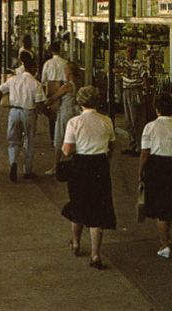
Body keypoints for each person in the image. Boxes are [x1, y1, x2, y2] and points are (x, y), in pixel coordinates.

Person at [61, 86, 116, 269]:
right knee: (98, 210)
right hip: (100, 165)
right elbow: (111, 145)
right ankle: (95, 254)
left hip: (80, 166)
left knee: (78, 203)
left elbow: (67, 150)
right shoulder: (106, 121)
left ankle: (76, 242)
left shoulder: (74, 122)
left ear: (79, 102)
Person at [139, 93, 172, 259]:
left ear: (156, 109)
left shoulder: (149, 127)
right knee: (169, 207)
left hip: (156, 167)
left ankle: (164, 244)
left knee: (161, 209)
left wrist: (140, 172)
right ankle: (166, 239)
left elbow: (145, 153)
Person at [0, 54, 46, 182]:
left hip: (13, 111)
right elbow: (40, 105)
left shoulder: (13, 79)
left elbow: (0, 90)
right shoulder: (36, 84)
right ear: (33, 68)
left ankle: (13, 162)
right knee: (29, 141)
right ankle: (27, 171)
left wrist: (4, 101)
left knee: (13, 140)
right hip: (28, 112)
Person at [45, 62, 79, 176]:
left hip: (65, 112)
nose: (64, 72)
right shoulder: (76, 84)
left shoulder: (67, 86)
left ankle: (56, 166)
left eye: (65, 70)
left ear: (69, 72)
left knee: (58, 138)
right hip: (73, 112)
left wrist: (42, 103)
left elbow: (54, 98)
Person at [118, 43, 149, 156]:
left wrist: (145, 91)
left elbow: (144, 77)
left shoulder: (139, 64)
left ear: (135, 53)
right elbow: (117, 70)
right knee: (128, 121)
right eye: (127, 51)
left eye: (130, 51)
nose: (128, 53)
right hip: (126, 91)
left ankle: (139, 146)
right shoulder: (124, 62)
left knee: (136, 120)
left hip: (135, 91)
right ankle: (132, 144)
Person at [41, 41, 68, 143]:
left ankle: (54, 137)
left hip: (52, 90)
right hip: (64, 88)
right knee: (63, 114)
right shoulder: (65, 62)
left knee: (52, 115)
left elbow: (43, 80)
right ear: (59, 50)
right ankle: (64, 137)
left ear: (51, 51)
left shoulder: (48, 64)